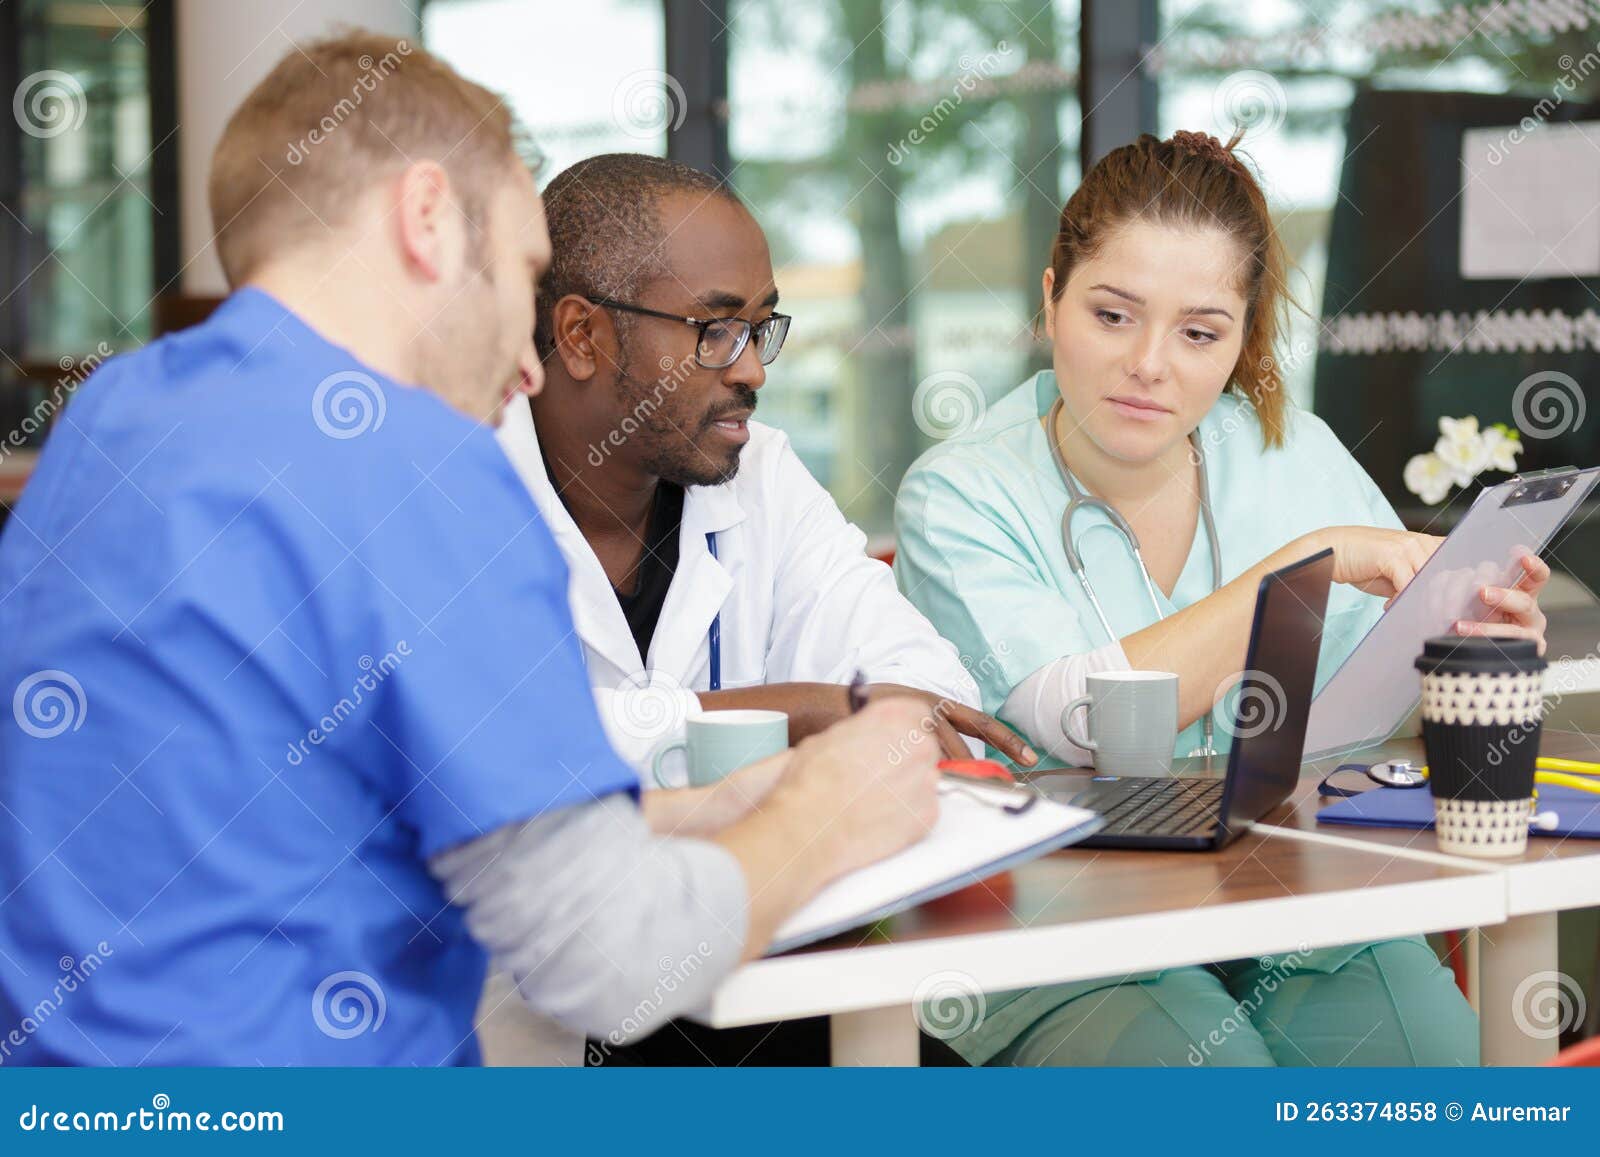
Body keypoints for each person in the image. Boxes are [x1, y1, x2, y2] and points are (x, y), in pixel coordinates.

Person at [0, 32, 942, 1066]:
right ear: (427, 220)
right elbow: (618, 962)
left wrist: (708, 801)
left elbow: (298, 821)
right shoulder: (409, 459)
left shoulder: (110, 420)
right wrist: (829, 806)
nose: (527, 363)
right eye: (523, 271)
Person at [894, 129, 1550, 1067]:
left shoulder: (1289, 449)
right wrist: (1309, 562)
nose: (1151, 363)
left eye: (1200, 332)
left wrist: (1467, 640)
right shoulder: (960, 490)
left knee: (1442, 1075)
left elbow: (1380, 694)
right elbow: (1077, 717)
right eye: (1113, 315)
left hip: (1296, 901)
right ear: (1050, 299)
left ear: (1242, 340)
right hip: (1067, 931)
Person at [496, 152, 1036, 773]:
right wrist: (799, 712)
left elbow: (932, 701)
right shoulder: (448, 488)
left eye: (758, 328)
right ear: (582, 336)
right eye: (716, 329)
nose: (752, 369)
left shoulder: (761, 472)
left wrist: (784, 720)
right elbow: (492, 744)